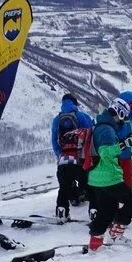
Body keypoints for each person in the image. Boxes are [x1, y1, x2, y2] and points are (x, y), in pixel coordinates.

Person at [86, 98, 132, 251]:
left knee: (107, 210)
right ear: (119, 113)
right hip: (108, 176)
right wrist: (124, 144)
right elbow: (106, 153)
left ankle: (95, 244)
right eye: (124, 116)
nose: (123, 120)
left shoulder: (99, 125)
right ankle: (115, 235)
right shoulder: (107, 129)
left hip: (96, 177)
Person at [51, 93, 93, 223]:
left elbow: (54, 140)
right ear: (75, 104)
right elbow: (91, 135)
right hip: (80, 159)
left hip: (64, 159)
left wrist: (60, 155)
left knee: (64, 187)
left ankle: (62, 212)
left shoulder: (56, 120)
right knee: (88, 185)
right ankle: (94, 212)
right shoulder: (82, 116)